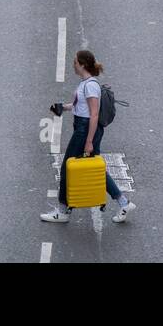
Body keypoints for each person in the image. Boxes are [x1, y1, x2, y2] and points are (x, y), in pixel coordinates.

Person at [40, 50, 134, 224]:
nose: (73, 64)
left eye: (75, 62)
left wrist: (89, 141)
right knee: (96, 169)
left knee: (67, 167)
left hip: (85, 129)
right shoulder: (86, 83)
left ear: (82, 64)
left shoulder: (90, 85)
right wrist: (63, 107)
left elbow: (94, 114)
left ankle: (62, 211)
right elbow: (81, 106)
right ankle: (123, 202)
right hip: (86, 127)